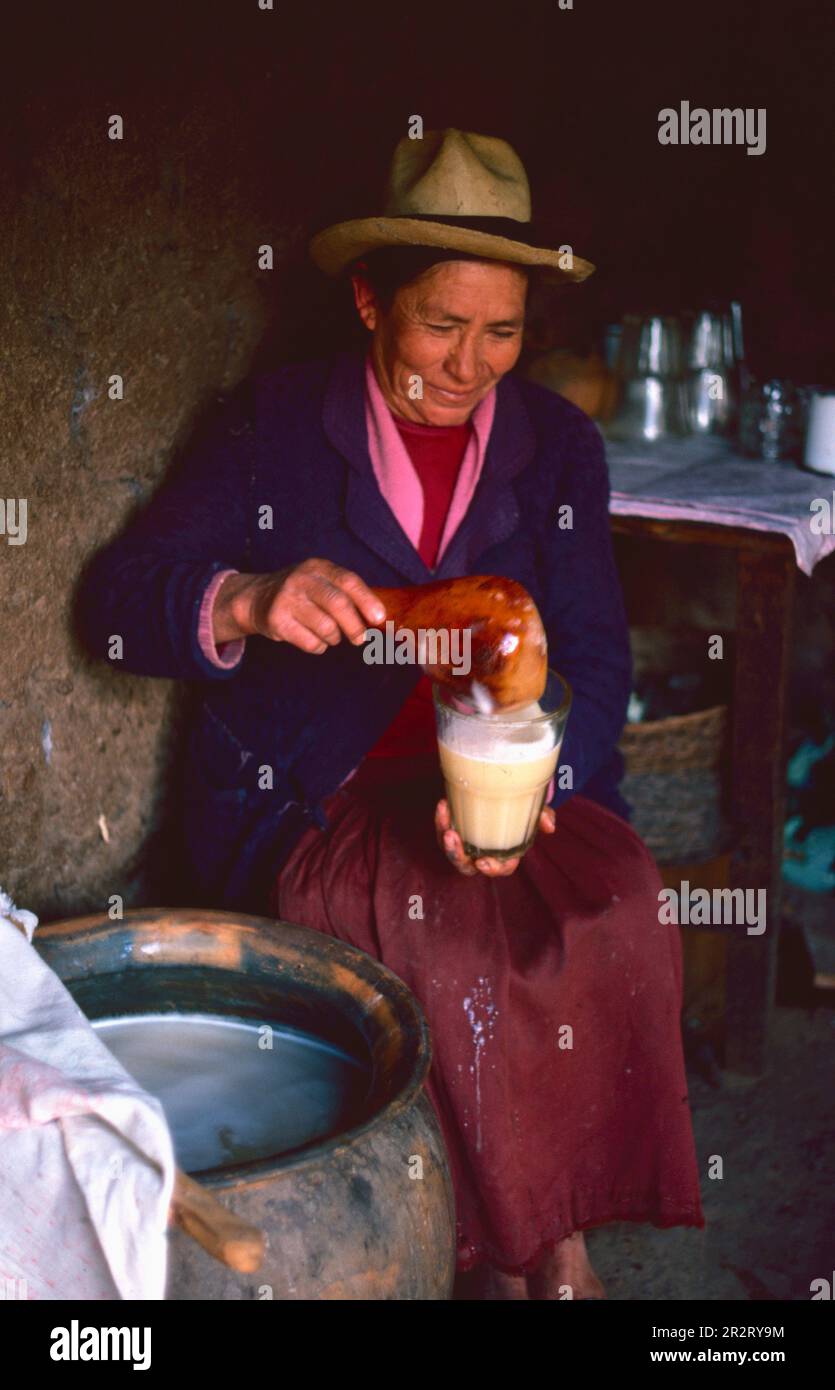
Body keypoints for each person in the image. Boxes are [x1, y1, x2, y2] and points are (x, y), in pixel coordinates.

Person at [79, 129, 704, 1299]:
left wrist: (544, 784)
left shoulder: (555, 447)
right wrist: (249, 597)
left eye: (503, 330)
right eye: (440, 324)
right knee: (447, 933)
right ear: (370, 300)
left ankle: (548, 1231)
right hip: (322, 793)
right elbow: (113, 607)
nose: (471, 363)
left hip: (513, 777)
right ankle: (502, 1249)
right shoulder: (271, 427)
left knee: (616, 908)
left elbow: (597, 650)